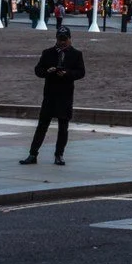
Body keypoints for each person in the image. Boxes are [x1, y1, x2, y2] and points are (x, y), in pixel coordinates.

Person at [22, 24, 85, 166]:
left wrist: (67, 73)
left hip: (65, 95)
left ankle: (59, 155)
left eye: (65, 39)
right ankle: (33, 154)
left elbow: (81, 72)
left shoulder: (76, 54)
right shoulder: (48, 53)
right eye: (60, 39)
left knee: (63, 127)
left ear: (69, 39)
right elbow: (38, 70)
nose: (62, 42)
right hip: (50, 95)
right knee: (42, 126)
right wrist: (47, 72)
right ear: (56, 39)